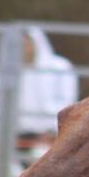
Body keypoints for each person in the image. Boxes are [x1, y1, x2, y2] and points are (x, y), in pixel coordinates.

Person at [16, 27, 78, 164]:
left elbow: (67, 100)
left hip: (48, 134)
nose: (23, 49)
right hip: (18, 135)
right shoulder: (13, 71)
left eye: (26, 44)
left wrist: (51, 130)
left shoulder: (59, 67)